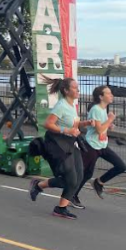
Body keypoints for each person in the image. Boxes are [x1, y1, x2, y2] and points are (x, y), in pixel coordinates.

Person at [29, 77, 93, 220]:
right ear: (66, 90)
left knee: (79, 177)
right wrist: (66, 130)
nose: (78, 90)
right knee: (70, 179)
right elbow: (48, 124)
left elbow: (74, 125)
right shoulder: (61, 105)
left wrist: (86, 123)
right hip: (59, 145)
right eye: (75, 88)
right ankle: (59, 207)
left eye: (78, 87)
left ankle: (41, 188)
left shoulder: (71, 105)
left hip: (71, 144)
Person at [72, 86, 126, 206]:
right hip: (91, 146)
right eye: (108, 93)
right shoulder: (96, 109)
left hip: (102, 145)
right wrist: (110, 120)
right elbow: (99, 129)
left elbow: (102, 128)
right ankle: (71, 195)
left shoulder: (103, 109)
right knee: (85, 173)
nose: (111, 95)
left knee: (121, 166)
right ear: (101, 97)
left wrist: (108, 125)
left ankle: (99, 182)